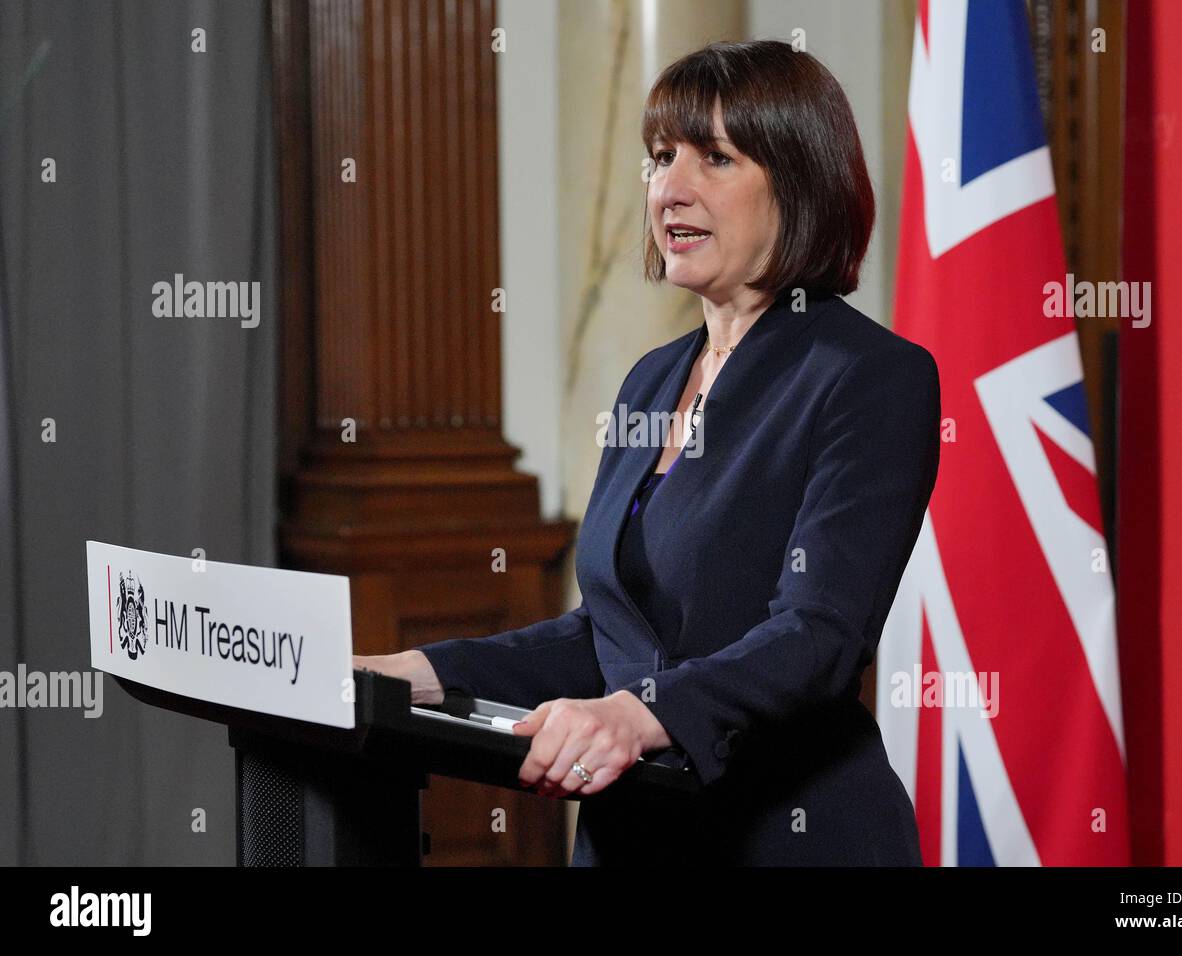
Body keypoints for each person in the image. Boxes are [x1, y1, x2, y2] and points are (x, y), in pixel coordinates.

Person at [355, 39, 939, 866]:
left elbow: (819, 633)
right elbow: (606, 636)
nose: (671, 188)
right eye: (660, 158)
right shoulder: (651, 381)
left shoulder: (871, 378)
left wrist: (638, 715)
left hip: (790, 837)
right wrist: (408, 672)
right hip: (633, 838)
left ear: (800, 181)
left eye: (716, 158)